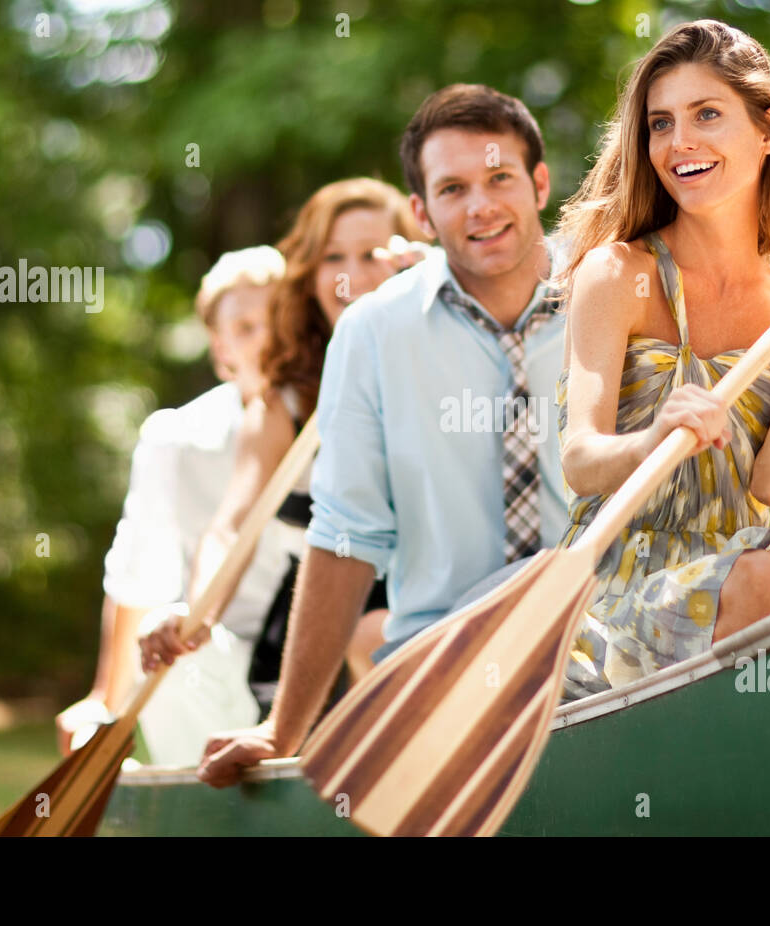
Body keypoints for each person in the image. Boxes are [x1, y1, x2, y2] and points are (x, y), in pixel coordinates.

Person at [195, 84, 568, 786]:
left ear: (539, 183)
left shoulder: (613, 288)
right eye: (453, 189)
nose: (481, 205)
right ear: (423, 213)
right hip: (443, 661)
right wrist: (284, 729)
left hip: (599, 644)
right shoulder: (372, 334)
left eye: (499, 179)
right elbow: (343, 536)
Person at [552, 19, 770, 699]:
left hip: (736, 557)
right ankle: (757, 780)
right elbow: (581, 460)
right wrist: (655, 438)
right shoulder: (617, 273)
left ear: (768, 131)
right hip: (621, 578)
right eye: (660, 123)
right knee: (760, 577)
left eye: (707, 114)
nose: (680, 143)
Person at [137, 179, 428, 722]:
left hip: (438, 582)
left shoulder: (450, 358)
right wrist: (193, 611)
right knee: (373, 635)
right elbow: (233, 523)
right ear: (311, 276)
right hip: (328, 606)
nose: (351, 275)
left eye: (371, 254)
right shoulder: (284, 402)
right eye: (331, 258)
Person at [55, 246, 292, 764]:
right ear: (219, 346)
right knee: (165, 637)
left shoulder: (331, 416)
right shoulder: (178, 437)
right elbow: (137, 572)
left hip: (314, 661)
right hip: (222, 660)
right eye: (247, 327)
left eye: (279, 319)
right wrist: (104, 700)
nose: (268, 339)